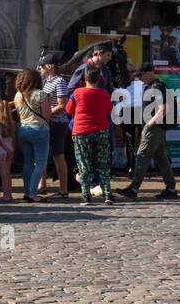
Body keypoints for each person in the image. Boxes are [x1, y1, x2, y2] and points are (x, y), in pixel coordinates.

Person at [118, 64, 177, 200]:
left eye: (141, 75)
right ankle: (171, 188)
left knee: (142, 156)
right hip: (158, 127)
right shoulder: (154, 86)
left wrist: (151, 122)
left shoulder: (157, 87)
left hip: (154, 128)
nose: (139, 78)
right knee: (161, 158)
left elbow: (164, 108)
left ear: (150, 72)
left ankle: (133, 188)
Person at [65, 65, 114, 206]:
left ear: (85, 78)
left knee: (83, 164)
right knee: (102, 163)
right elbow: (108, 109)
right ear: (98, 79)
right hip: (101, 129)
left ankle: (86, 196)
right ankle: (107, 194)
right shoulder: (104, 94)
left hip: (81, 131)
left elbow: (68, 110)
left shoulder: (77, 93)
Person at [11, 67, 54, 204]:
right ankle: (33, 193)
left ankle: (27, 192)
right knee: (40, 163)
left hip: (23, 130)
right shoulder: (40, 94)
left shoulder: (18, 95)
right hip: (39, 129)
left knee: (28, 162)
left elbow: (18, 115)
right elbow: (47, 115)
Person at [38, 54, 72, 199]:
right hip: (48, 121)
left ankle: (63, 189)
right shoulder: (47, 81)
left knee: (58, 155)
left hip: (57, 123)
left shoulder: (60, 82)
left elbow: (62, 105)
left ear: (49, 66)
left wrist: (45, 114)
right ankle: (42, 185)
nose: (40, 68)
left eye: (42, 66)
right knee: (43, 153)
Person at [0, 99, 16, 202]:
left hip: (1, 150)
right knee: (7, 173)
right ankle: (9, 194)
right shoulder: (11, 123)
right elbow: (11, 138)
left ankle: (6, 195)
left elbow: (0, 139)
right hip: (9, 148)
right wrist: (10, 150)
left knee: (3, 173)